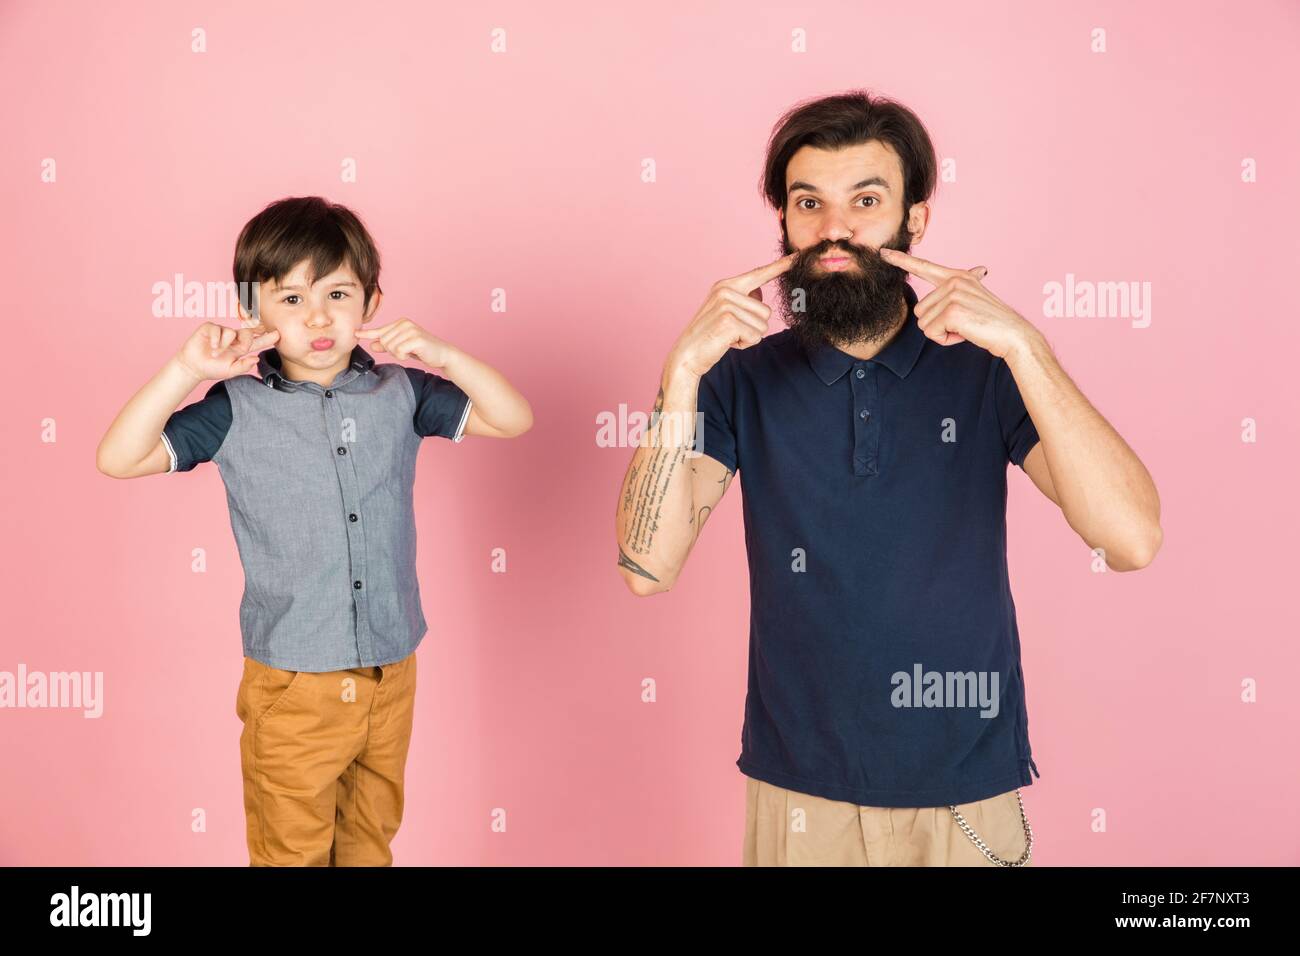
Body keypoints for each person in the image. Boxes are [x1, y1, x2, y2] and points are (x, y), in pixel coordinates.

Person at [614, 91, 1161, 866]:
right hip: (800, 795)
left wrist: (1025, 346)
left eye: (866, 201)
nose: (835, 229)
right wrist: (681, 371)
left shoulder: (990, 371)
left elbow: (1132, 539)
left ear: (917, 220)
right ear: (784, 223)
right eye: (810, 203)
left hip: (964, 789)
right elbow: (647, 569)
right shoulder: (737, 381)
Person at [96, 196, 533, 865]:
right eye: (291, 299)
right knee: (291, 852)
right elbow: (118, 457)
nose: (318, 317)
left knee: (369, 844)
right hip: (297, 681)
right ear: (252, 308)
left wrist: (442, 353)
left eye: (337, 293)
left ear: (371, 301)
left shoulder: (402, 392)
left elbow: (512, 417)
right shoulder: (233, 408)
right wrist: (185, 370)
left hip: (392, 667)